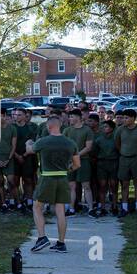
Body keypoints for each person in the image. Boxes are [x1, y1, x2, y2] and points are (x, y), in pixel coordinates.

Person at [29, 114, 80, 252]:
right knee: (60, 211)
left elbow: (30, 150)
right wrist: (66, 170)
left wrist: (29, 143)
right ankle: (61, 243)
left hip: (47, 178)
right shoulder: (70, 143)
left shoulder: (43, 141)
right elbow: (77, 164)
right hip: (63, 178)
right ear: (60, 126)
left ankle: (41, 237)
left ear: (48, 126)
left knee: (37, 207)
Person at [114, 109, 137, 214]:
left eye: (126, 118)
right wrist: (123, 152)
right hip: (124, 159)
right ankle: (124, 207)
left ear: (133, 118)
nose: (124, 120)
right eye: (123, 117)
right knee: (124, 184)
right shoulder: (120, 130)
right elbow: (117, 143)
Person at [63, 108, 94, 214]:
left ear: (79, 118)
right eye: (69, 116)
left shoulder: (87, 130)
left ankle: (91, 209)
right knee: (72, 186)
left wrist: (76, 156)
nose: (70, 119)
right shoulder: (67, 130)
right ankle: (71, 209)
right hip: (70, 162)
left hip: (83, 161)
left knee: (86, 185)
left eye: (72, 117)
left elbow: (88, 147)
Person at [92, 115, 118, 217]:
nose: (104, 129)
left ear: (112, 128)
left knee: (114, 185)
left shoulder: (116, 138)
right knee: (102, 186)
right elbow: (94, 152)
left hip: (113, 163)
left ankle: (114, 206)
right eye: (103, 127)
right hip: (102, 164)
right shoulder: (99, 139)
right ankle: (102, 207)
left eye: (106, 127)